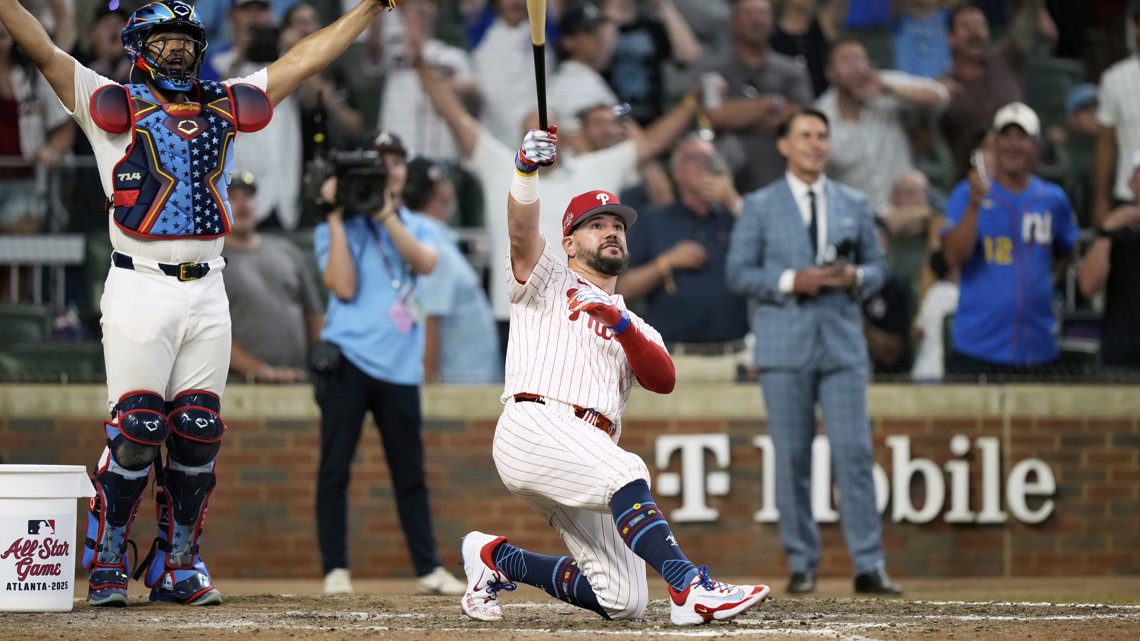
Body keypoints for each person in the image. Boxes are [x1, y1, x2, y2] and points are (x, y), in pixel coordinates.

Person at [0, 0, 402, 608]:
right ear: (139, 49)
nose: (178, 50)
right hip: (140, 282)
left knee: (198, 430)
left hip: (209, 284)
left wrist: (369, 8)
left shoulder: (225, 103)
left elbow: (303, 60)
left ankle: (178, 562)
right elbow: (43, 50)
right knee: (137, 428)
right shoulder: (109, 101)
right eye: (164, 40)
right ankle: (108, 558)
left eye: (186, 40)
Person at [457, 126, 769, 627]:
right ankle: (690, 588)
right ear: (569, 241)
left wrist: (620, 324)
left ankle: (496, 559)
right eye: (596, 224)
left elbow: (663, 379)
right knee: (628, 472)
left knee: (623, 600)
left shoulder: (635, 323)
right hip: (533, 425)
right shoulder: (547, 276)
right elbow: (520, 230)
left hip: (585, 447)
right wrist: (525, 171)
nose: (611, 231)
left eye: (617, 225)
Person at [725, 107, 902, 596]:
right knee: (791, 459)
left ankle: (869, 566)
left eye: (822, 135)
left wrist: (856, 276)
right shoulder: (759, 205)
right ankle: (803, 564)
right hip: (783, 348)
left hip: (842, 346)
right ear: (784, 145)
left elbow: (879, 267)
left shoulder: (854, 202)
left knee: (855, 454)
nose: (815, 143)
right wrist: (791, 280)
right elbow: (738, 272)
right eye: (805, 135)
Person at [313, 131, 465, 597]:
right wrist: (335, 215)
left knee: (410, 474)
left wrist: (384, 214)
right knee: (335, 469)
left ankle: (429, 568)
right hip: (348, 360)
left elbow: (425, 263)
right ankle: (336, 570)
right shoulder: (336, 227)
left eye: (397, 162)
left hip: (400, 368)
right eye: (381, 162)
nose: (390, 170)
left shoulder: (418, 225)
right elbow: (343, 287)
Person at [941, 102, 1079, 378]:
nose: (1013, 145)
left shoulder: (1053, 199)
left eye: (1022, 137)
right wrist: (974, 205)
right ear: (994, 142)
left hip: (1038, 346)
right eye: (1006, 136)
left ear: (1036, 145)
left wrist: (1046, 279)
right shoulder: (966, 194)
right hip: (978, 346)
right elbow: (953, 257)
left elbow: (1068, 250)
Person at [617, 134, 749, 382]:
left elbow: (776, 251)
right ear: (676, 172)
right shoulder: (653, 220)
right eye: (694, 158)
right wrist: (665, 263)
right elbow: (623, 288)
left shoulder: (736, 218)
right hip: (674, 355)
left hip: (734, 354)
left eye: (710, 159)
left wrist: (732, 200)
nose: (705, 165)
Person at [814, 35, 948, 217]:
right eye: (846, 61)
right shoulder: (820, 116)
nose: (856, 68)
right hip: (856, 218)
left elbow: (940, 97)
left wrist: (888, 89)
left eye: (860, 59)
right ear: (830, 72)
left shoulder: (884, 84)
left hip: (905, 209)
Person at [405, 156, 501, 385]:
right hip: (459, 385)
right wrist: (429, 394)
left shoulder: (424, 237)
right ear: (441, 191)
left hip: (466, 382)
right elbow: (428, 320)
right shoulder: (430, 244)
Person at [221, 170, 323, 383]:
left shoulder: (286, 250)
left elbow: (313, 314)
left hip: (299, 379)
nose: (243, 204)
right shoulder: (212, 261)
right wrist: (260, 371)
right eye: (233, 197)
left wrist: (320, 363)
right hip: (241, 386)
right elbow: (207, 331)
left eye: (248, 197)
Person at [701, 0, 812, 195]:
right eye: (749, 14)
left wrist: (738, 115)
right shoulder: (715, 70)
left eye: (762, 14)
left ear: (773, 23)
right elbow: (715, 116)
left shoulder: (792, 70)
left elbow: (803, 120)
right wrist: (771, 103)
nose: (757, 20)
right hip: (727, 178)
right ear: (733, 23)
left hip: (781, 177)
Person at [938, 0, 1056, 181]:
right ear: (951, 38)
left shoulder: (1006, 59)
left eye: (979, 26)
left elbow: (1029, 18)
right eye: (966, 27)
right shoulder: (943, 87)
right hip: (974, 179)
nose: (975, 33)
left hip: (1026, 176)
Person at [1076, 150, 1140, 372]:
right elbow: (1087, 286)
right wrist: (1106, 232)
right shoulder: (1117, 233)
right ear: (1132, 183)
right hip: (1121, 355)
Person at [1093, 7, 1140, 223]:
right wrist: (1101, 199)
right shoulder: (1114, 79)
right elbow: (1106, 143)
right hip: (1127, 194)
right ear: (1135, 28)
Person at [910, 248, 958, 383]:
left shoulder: (931, 294)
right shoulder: (956, 295)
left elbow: (916, 331)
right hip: (943, 373)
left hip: (922, 371)